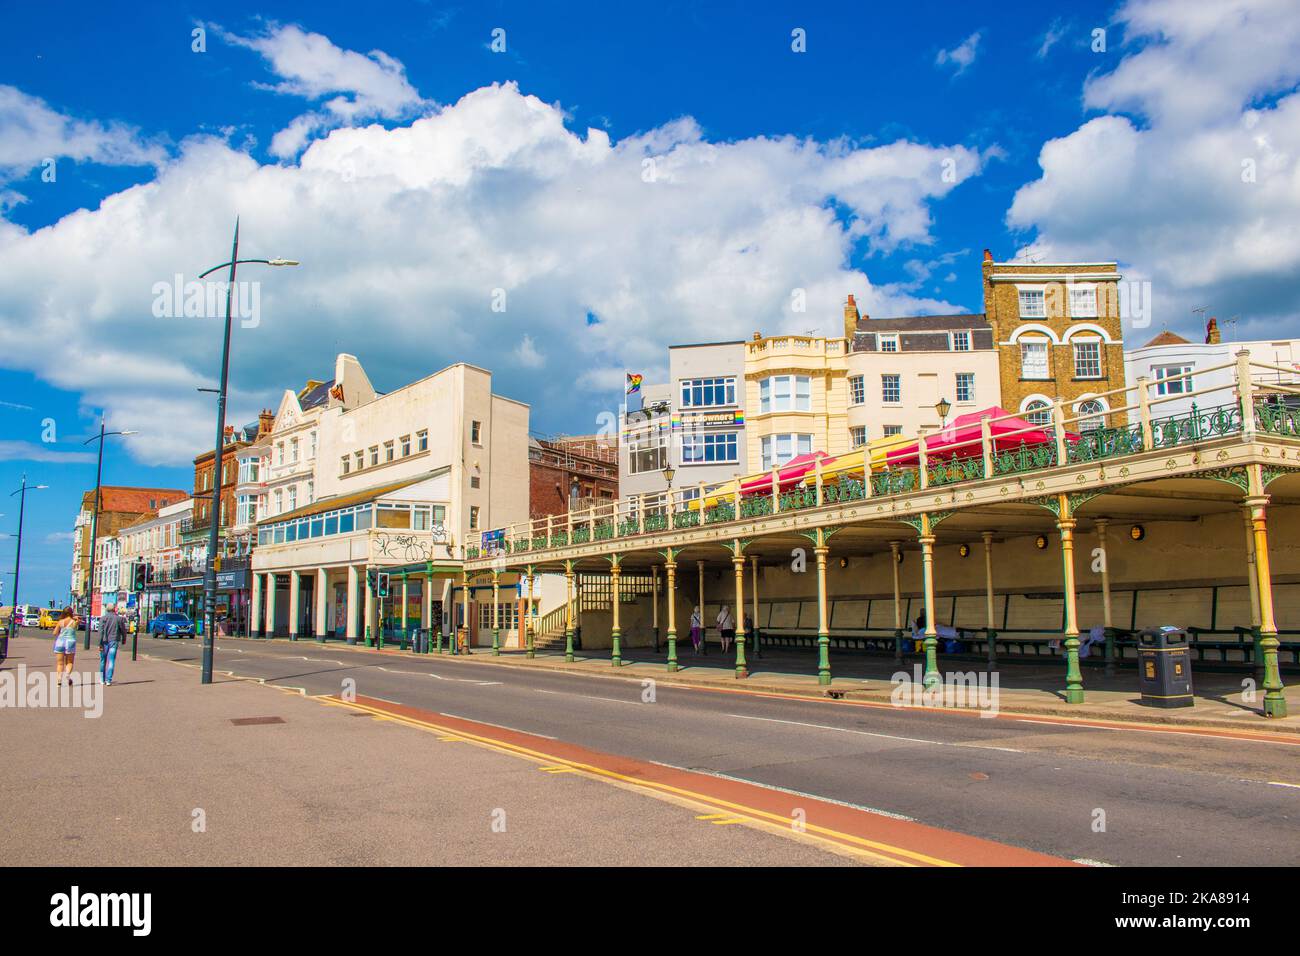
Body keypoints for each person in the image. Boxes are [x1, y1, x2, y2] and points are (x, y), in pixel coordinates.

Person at [98, 602, 129, 686]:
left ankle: (102, 679)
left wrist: (99, 643)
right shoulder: (118, 619)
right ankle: (108, 680)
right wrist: (124, 639)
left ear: (107, 609)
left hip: (104, 641)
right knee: (111, 660)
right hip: (114, 640)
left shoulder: (103, 618)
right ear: (114, 609)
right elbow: (123, 630)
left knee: (102, 660)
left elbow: (100, 631)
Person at [52, 607, 78, 685]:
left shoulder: (60, 622)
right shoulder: (74, 622)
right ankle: (67, 675)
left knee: (60, 663)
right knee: (69, 662)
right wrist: (74, 618)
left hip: (60, 641)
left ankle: (59, 679)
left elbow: (54, 633)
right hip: (70, 642)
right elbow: (77, 623)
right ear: (71, 612)